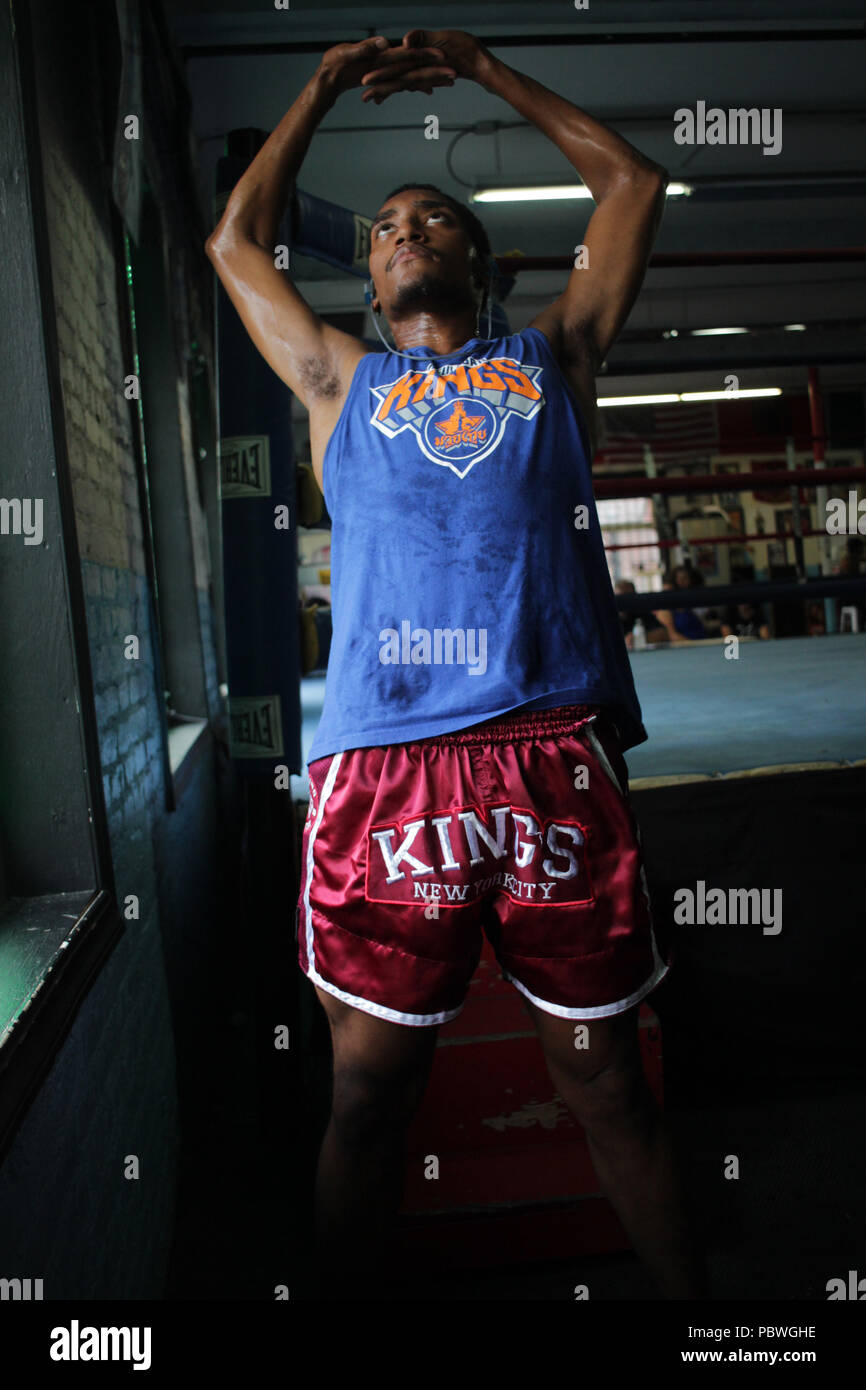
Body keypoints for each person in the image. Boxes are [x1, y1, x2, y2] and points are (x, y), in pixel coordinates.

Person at [206, 27, 707, 1301]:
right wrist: (318, 81)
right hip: (387, 769)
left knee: (604, 1079)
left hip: (549, 757)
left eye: (432, 218)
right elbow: (230, 244)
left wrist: (484, 71)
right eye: (382, 227)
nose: (405, 229)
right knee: (370, 1092)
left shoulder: (556, 360)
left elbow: (632, 186)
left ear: (477, 260)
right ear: (368, 281)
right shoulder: (336, 380)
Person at [652, 564, 708, 641]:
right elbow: (672, 635)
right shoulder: (665, 610)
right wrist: (694, 645)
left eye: (685, 578)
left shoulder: (688, 605)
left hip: (703, 641)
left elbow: (701, 625)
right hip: (689, 647)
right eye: (678, 579)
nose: (681, 582)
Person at [615, 578, 668, 646]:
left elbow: (663, 633)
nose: (623, 602)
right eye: (619, 597)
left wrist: (638, 639)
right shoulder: (610, 618)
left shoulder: (640, 612)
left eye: (627, 597)